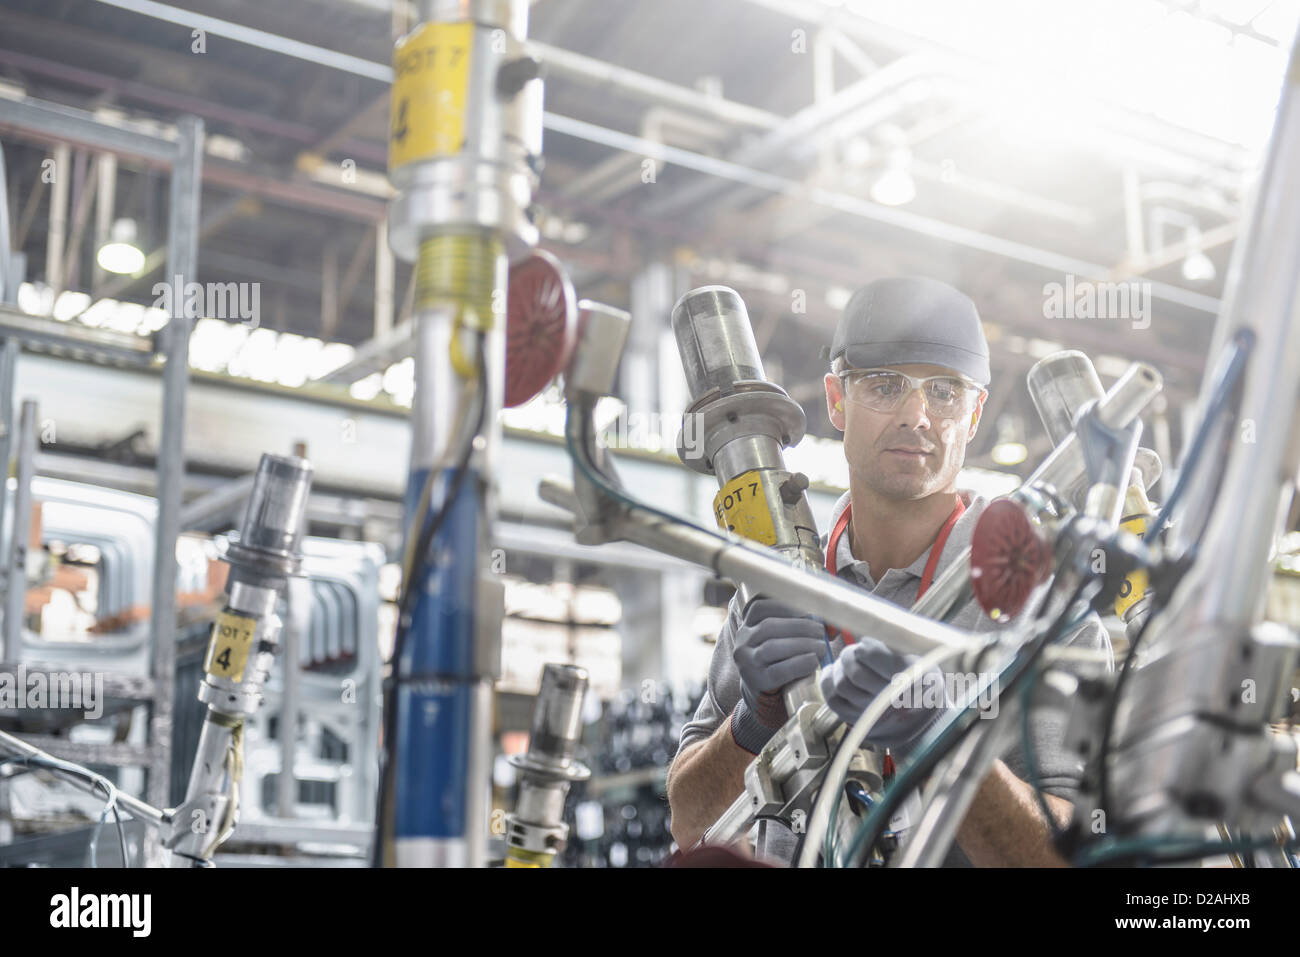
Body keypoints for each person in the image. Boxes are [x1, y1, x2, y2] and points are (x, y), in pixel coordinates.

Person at [665, 276, 1112, 867]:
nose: (917, 416)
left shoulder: (1043, 608)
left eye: (945, 392)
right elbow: (689, 821)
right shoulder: (774, 588)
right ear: (834, 399)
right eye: (884, 385)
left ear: (975, 413)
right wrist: (754, 719)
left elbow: (1071, 856)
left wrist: (940, 744)